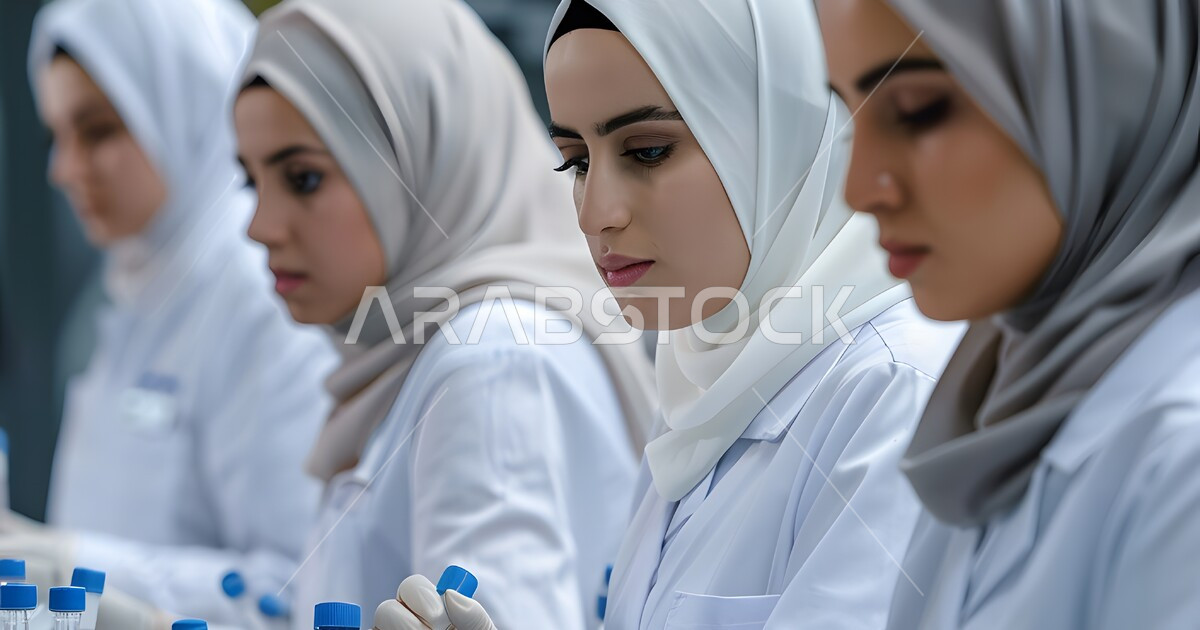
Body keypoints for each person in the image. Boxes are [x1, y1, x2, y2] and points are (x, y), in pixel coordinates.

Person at [377, 1, 963, 628]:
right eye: (576, 161)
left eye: (648, 151)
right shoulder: (703, 379)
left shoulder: (897, 392)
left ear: (783, 133)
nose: (594, 211)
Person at [233, 0, 656, 628]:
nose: (260, 227)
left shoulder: (492, 359)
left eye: (304, 179)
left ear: (423, 153)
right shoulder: (423, 350)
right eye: (250, 181)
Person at [816, 0, 1200, 628]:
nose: (859, 189)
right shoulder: (991, 402)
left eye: (919, 111)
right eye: (849, 118)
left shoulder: (1182, 454)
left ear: (1114, 86)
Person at [22, 0, 338, 624]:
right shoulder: (133, 287)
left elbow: (302, 587)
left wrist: (68, 565)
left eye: (98, 130)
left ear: (188, 102)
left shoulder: (268, 293)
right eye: (56, 134)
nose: (64, 169)